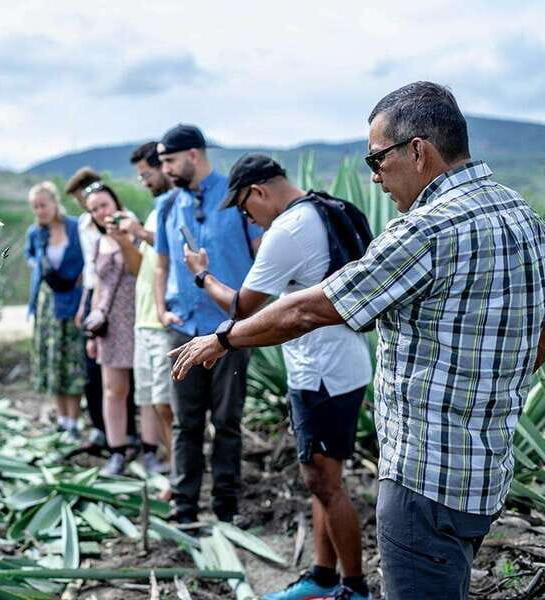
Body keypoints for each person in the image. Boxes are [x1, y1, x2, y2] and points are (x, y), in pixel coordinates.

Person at [169, 82, 545, 600]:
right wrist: (494, 379)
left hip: (425, 478)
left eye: (377, 157)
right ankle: (328, 578)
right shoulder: (519, 213)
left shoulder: (426, 229)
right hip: (485, 473)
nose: (373, 175)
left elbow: (305, 308)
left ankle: (343, 583)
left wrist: (223, 340)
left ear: (417, 150)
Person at [183, 154, 373, 600]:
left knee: (324, 482)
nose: (249, 219)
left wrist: (201, 276)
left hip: (321, 375)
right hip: (343, 365)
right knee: (322, 479)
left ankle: (355, 588)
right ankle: (324, 578)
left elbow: (241, 308)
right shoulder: (326, 208)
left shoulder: (288, 229)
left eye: (246, 209)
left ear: (259, 192)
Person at [154, 124, 262, 524]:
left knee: (227, 422)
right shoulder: (167, 205)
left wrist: (248, 313)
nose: (164, 168)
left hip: (230, 331)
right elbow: (161, 265)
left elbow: (260, 255)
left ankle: (225, 508)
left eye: (169, 161)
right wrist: (162, 311)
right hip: (183, 328)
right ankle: (184, 507)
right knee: (186, 424)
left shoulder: (235, 199)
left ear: (193, 156)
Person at [111, 141, 176, 476]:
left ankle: (179, 471)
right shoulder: (155, 211)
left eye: (146, 174)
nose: (144, 182)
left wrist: (139, 232)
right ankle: (170, 465)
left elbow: (174, 253)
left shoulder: (174, 207)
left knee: (168, 405)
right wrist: (126, 239)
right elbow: (141, 268)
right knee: (154, 402)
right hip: (144, 321)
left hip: (164, 325)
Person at [64, 168, 138, 451]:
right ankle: (106, 433)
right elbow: (91, 270)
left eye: (98, 203)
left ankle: (134, 435)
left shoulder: (129, 224)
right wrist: (87, 306)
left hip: (126, 302)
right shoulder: (87, 227)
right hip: (99, 297)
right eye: (87, 204)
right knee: (99, 376)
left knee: (131, 380)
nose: (90, 208)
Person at [83, 182, 139, 475]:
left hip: (137, 316)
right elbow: (97, 287)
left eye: (103, 205)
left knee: (145, 392)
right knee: (113, 390)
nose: (100, 213)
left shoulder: (135, 230)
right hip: (109, 323)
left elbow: (140, 269)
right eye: (93, 210)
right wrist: (92, 328)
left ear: (115, 202)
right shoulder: (97, 242)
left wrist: (125, 240)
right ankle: (117, 451)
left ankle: (152, 450)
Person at [25, 182, 85, 442]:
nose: (39, 211)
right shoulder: (35, 233)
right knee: (53, 362)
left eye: (43, 205)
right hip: (46, 302)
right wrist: (39, 267)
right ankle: (61, 420)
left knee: (72, 363)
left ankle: (74, 421)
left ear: (54, 202)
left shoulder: (76, 226)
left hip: (72, 298)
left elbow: (89, 255)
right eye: (35, 207)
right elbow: (30, 256)